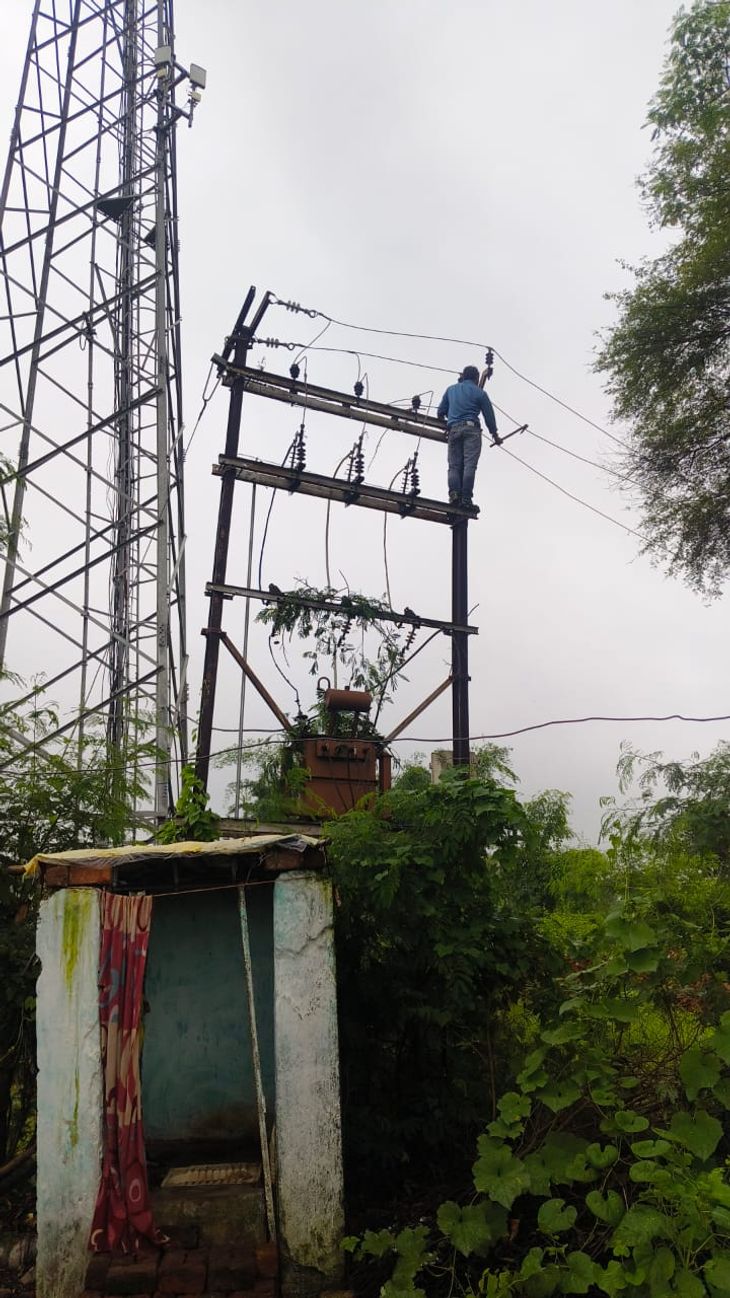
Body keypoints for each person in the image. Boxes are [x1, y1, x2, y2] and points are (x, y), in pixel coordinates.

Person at [437, 364, 501, 505]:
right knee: (469, 466)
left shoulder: (451, 390)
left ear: (463, 376)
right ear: (476, 378)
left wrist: (448, 421)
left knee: (454, 466)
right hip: (472, 430)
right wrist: (495, 435)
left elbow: (440, 412)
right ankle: (466, 498)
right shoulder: (480, 393)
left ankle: (454, 494)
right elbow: (489, 416)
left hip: (454, 430)